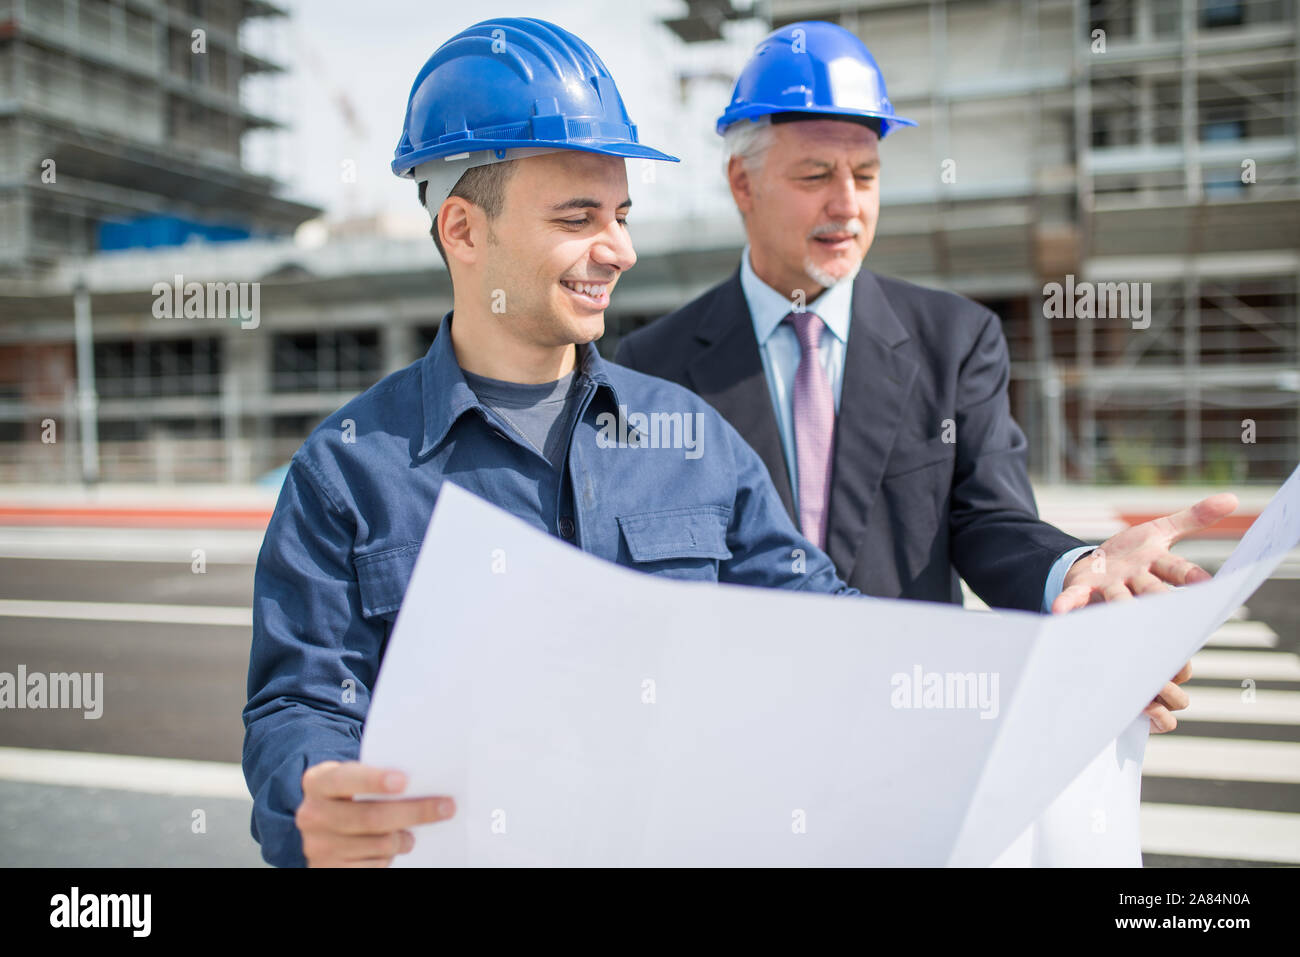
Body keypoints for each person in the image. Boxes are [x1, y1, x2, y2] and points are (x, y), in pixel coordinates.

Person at [243, 17, 858, 869]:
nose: (620, 250)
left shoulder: (689, 443)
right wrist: (311, 791)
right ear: (462, 229)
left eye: (621, 214)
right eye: (579, 218)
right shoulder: (346, 473)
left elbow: (838, 638)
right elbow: (300, 706)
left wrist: (1058, 640)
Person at [616, 20, 1232, 736]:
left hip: (910, 729)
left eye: (867, 176)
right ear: (741, 183)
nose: (847, 205)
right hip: (734, 735)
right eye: (816, 175)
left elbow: (990, 520)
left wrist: (1072, 574)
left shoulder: (955, 339)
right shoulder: (651, 368)